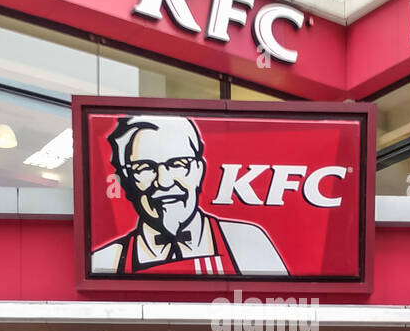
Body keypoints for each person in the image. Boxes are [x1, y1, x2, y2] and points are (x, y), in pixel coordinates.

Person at [91, 115, 288, 276]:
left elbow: (285, 315)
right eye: (145, 168)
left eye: (178, 164)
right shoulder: (105, 260)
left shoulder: (246, 241)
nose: (164, 182)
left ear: (199, 170)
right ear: (126, 179)